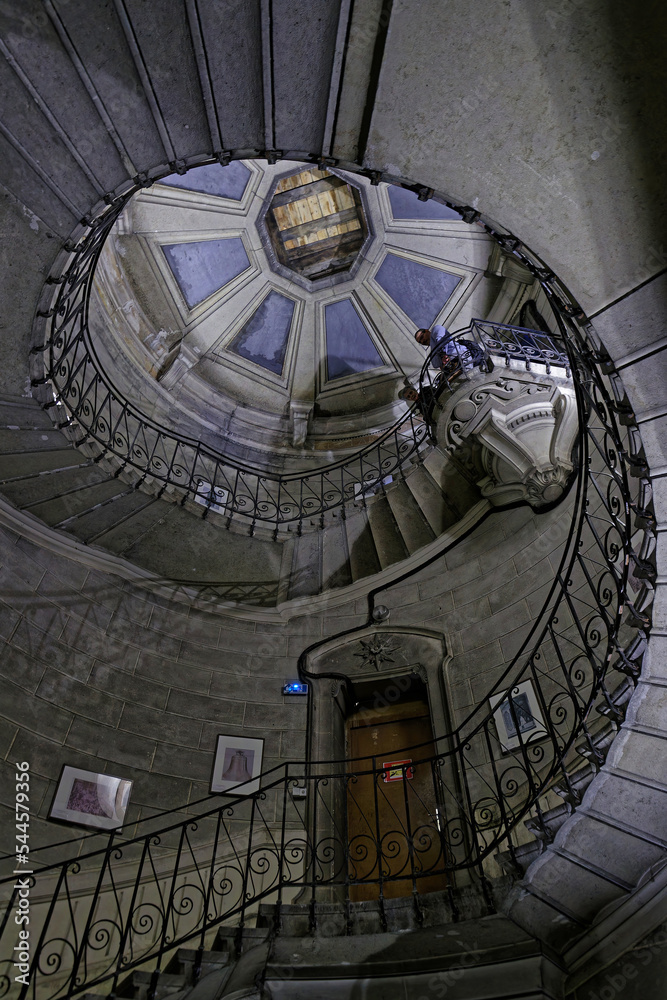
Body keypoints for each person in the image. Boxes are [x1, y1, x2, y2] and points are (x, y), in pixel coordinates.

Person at [415, 325, 487, 376]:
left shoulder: (435, 329)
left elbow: (441, 340)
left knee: (472, 376)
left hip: (463, 357)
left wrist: (442, 355)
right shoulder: (433, 350)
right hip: (456, 366)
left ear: (427, 331)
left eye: (422, 337)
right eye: (420, 342)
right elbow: (436, 364)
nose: (423, 341)